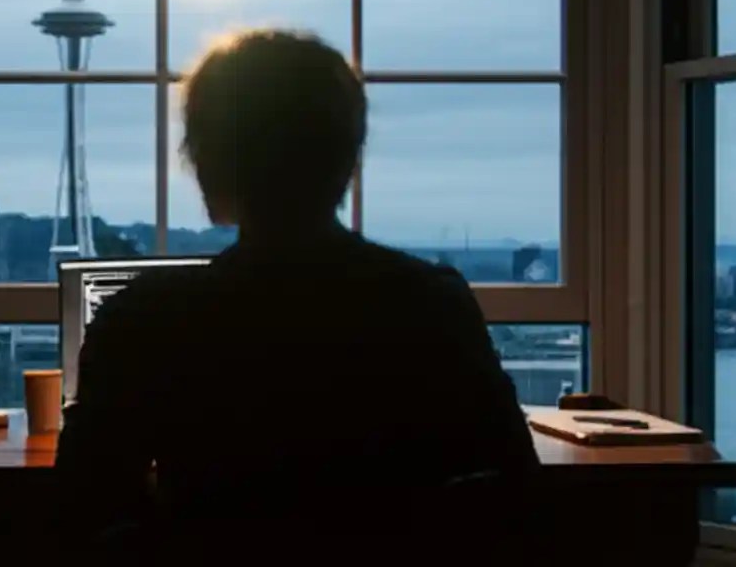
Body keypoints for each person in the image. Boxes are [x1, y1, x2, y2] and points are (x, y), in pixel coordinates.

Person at [57, 29, 538, 564]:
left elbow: (82, 508)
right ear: (346, 158)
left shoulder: (147, 318)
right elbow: (513, 495)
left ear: (211, 163)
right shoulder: (431, 304)